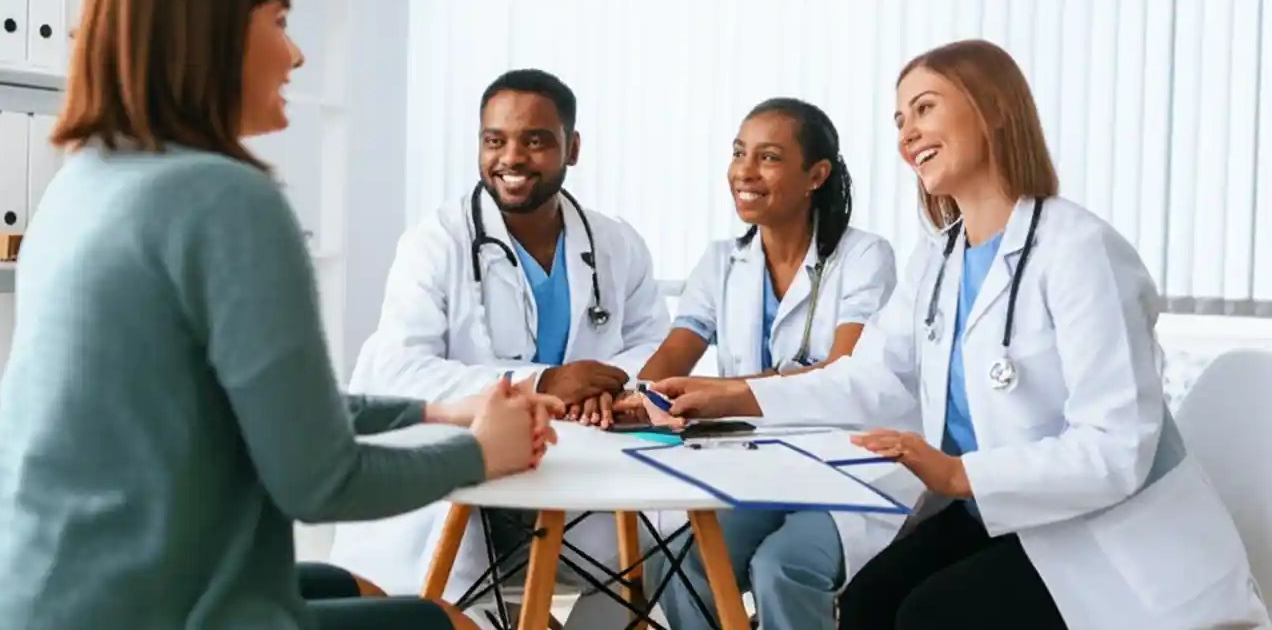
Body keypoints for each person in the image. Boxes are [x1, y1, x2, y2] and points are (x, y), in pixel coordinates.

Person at [0, 0, 560, 630]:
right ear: (212, 34)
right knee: (458, 621)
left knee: (359, 586)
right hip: (151, 610)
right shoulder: (226, 200)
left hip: (44, 595)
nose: (294, 56)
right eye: (280, 22)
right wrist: (478, 452)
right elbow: (320, 482)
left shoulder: (85, 182)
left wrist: (434, 412)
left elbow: (266, 406)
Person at [651, 40, 1270, 628]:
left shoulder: (1081, 250)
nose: (906, 133)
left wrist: (958, 476)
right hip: (994, 513)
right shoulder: (941, 258)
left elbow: (1116, 449)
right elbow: (873, 375)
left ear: (995, 109)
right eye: (899, 119)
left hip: (1104, 535)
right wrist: (736, 396)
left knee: (932, 617)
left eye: (924, 108)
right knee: (869, 602)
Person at [327, 69, 670, 625]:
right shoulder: (435, 243)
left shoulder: (615, 243)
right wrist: (545, 382)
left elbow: (652, 344)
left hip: (580, 462)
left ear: (572, 148)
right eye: (495, 140)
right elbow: (396, 369)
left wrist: (608, 386)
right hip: (470, 470)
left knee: (650, 566)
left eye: (535, 140)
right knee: (457, 605)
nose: (512, 157)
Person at [622, 98, 915, 630]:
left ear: (816, 175)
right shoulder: (721, 263)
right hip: (762, 468)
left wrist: (723, 391)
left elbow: (842, 369)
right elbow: (673, 355)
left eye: (769, 157)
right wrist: (629, 392)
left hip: (846, 468)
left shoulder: (865, 258)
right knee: (679, 566)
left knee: (781, 568)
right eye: (739, 153)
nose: (745, 171)